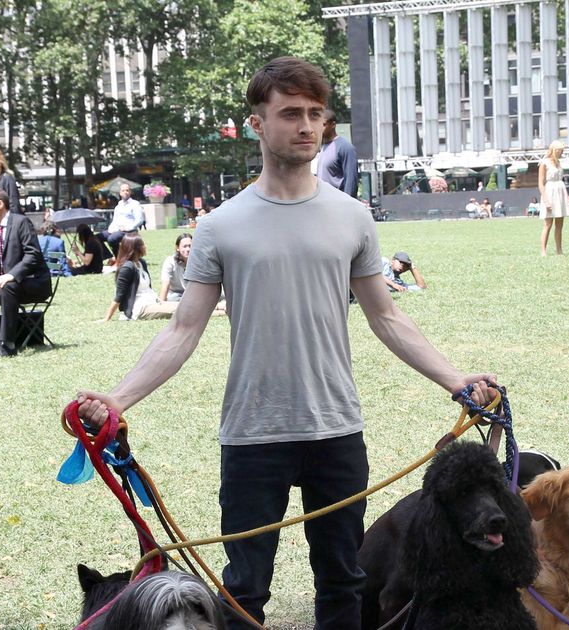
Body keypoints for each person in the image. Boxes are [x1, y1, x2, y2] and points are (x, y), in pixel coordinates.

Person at [73, 56, 496, 630]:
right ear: (257, 124)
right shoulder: (221, 224)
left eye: (315, 114)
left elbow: (387, 316)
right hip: (252, 434)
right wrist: (118, 399)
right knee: (245, 587)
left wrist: (455, 378)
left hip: (336, 431)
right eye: (290, 112)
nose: (305, 126)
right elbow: (182, 329)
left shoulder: (351, 217)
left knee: (344, 580)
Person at [0, 188, 52, 358]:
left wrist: (11, 274)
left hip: (33, 283)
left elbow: (33, 254)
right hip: (8, 286)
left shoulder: (21, 222)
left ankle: (7, 345)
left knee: (7, 287)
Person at [102, 234, 176, 321]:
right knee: (179, 310)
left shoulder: (141, 263)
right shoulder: (127, 268)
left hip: (153, 301)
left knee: (184, 306)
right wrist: (107, 318)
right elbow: (119, 296)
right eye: (142, 245)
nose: (145, 246)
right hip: (140, 307)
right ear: (134, 248)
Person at [538, 140, 569, 256]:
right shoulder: (544, 163)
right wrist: (545, 199)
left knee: (559, 224)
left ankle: (559, 250)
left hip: (560, 191)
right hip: (550, 192)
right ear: (554, 150)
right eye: (560, 150)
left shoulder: (558, 163)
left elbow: (561, 179)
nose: (561, 152)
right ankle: (543, 250)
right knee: (548, 223)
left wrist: (566, 194)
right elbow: (541, 183)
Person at [316, 109, 358, 197]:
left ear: (333, 125)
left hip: (337, 203)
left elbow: (351, 181)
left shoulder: (345, 147)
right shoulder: (322, 146)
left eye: (324, 124)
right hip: (322, 202)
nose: (320, 128)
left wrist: (346, 206)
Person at [100, 184, 145, 256]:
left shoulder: (135, 204)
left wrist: (127, 228)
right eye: (123, 190)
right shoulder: (118, 206)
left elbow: (139, 220)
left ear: (130, 192)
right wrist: (110, 230)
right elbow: (115, 221)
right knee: (97, 238)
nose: (125, 192)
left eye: (127, 190)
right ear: (120, 193)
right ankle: (108, 257)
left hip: (129, 230)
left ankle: (119, 259)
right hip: (117, 230)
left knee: (111, 239)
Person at [158, 233, 193, 303]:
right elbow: (166, 284)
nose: (188, 249)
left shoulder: (198, 262)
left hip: (193, 293)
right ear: (177, 248)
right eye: (184, 246)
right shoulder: (170, 261)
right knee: (172, 298)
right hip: (176, 294)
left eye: (190, 246)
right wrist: (161, 304)